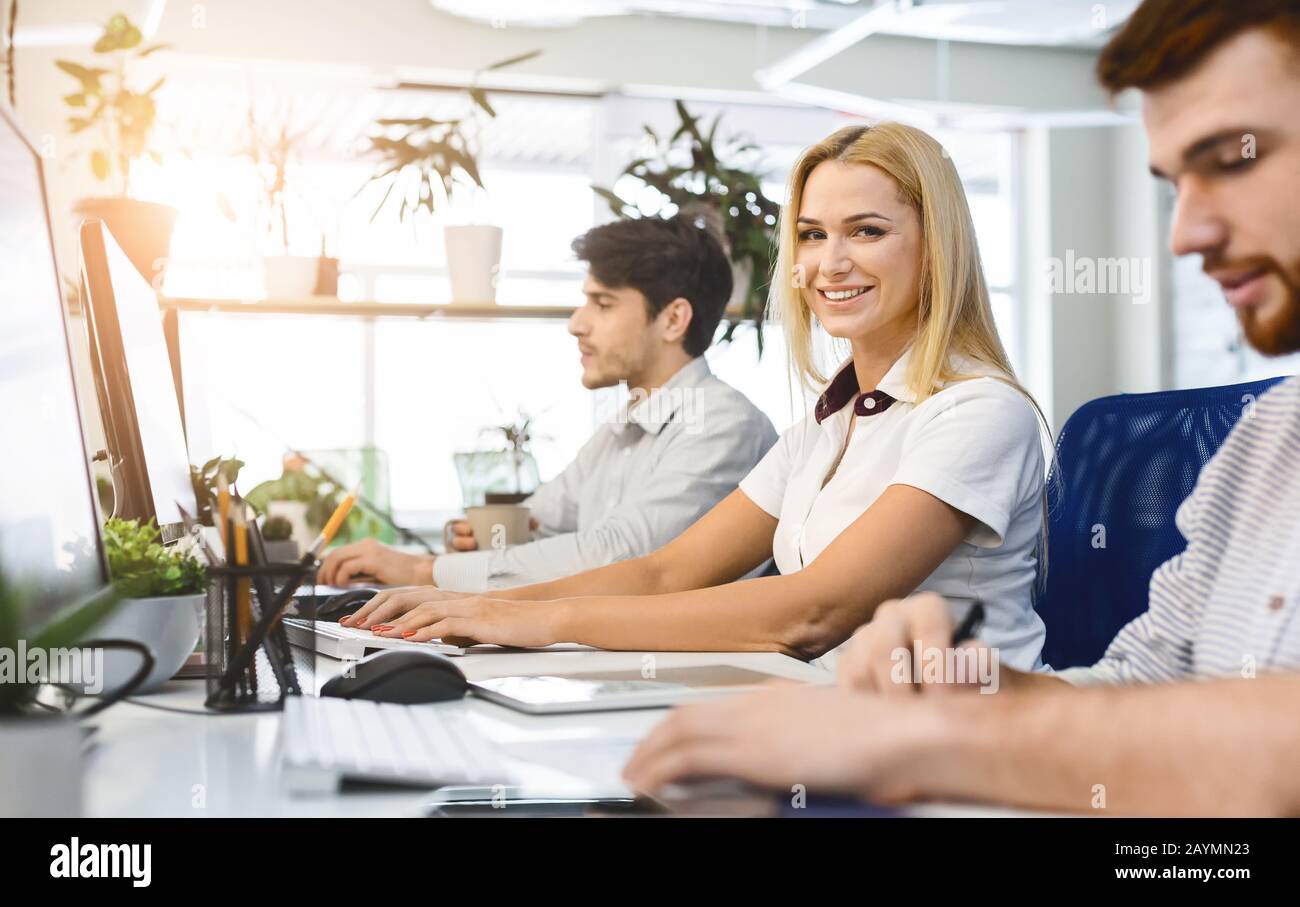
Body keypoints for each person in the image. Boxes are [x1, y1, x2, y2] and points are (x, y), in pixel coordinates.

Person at [623, 0, 1300, 817]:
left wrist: (937, 741)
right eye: (1173, 184)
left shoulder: (978, 409)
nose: (1183, 233)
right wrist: (971, 686)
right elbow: (1141, 684)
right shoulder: (1265, 444)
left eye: (1233, 159)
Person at [345, 121, 1050, 670]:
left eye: (866, 231)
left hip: (951, 744)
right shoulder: (826, 424)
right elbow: (668, 570)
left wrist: (541, 620)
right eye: (811, 235)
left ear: (936, 247)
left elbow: (815, 610)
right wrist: (474, 603)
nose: (830, 262)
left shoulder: (980, 411)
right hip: (825, 717)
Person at [318, 214, 777, 591]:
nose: (576, 324)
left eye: (602, 304)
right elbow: (542, 522)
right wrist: (482, 541)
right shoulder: (621, 429)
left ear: (674, 319)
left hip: (690, 682)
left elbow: (619, 554)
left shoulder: (722, 423)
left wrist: (424, 572)